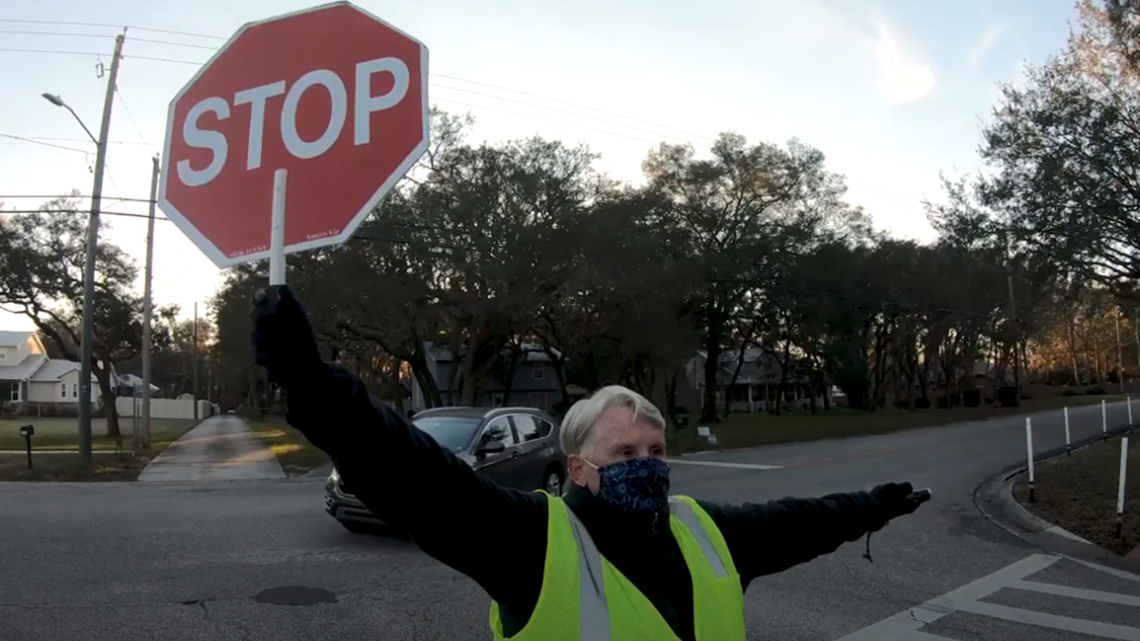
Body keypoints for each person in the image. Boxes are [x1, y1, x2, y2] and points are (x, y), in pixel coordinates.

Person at [251, 286, 925, 641]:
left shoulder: (701, 530)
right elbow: (424, 482)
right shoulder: (537, 543)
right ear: (577, 467)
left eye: (656, 451)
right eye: (625, 452)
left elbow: (798, 521)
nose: (648, 465)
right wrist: (320, 394)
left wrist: (874, 502)